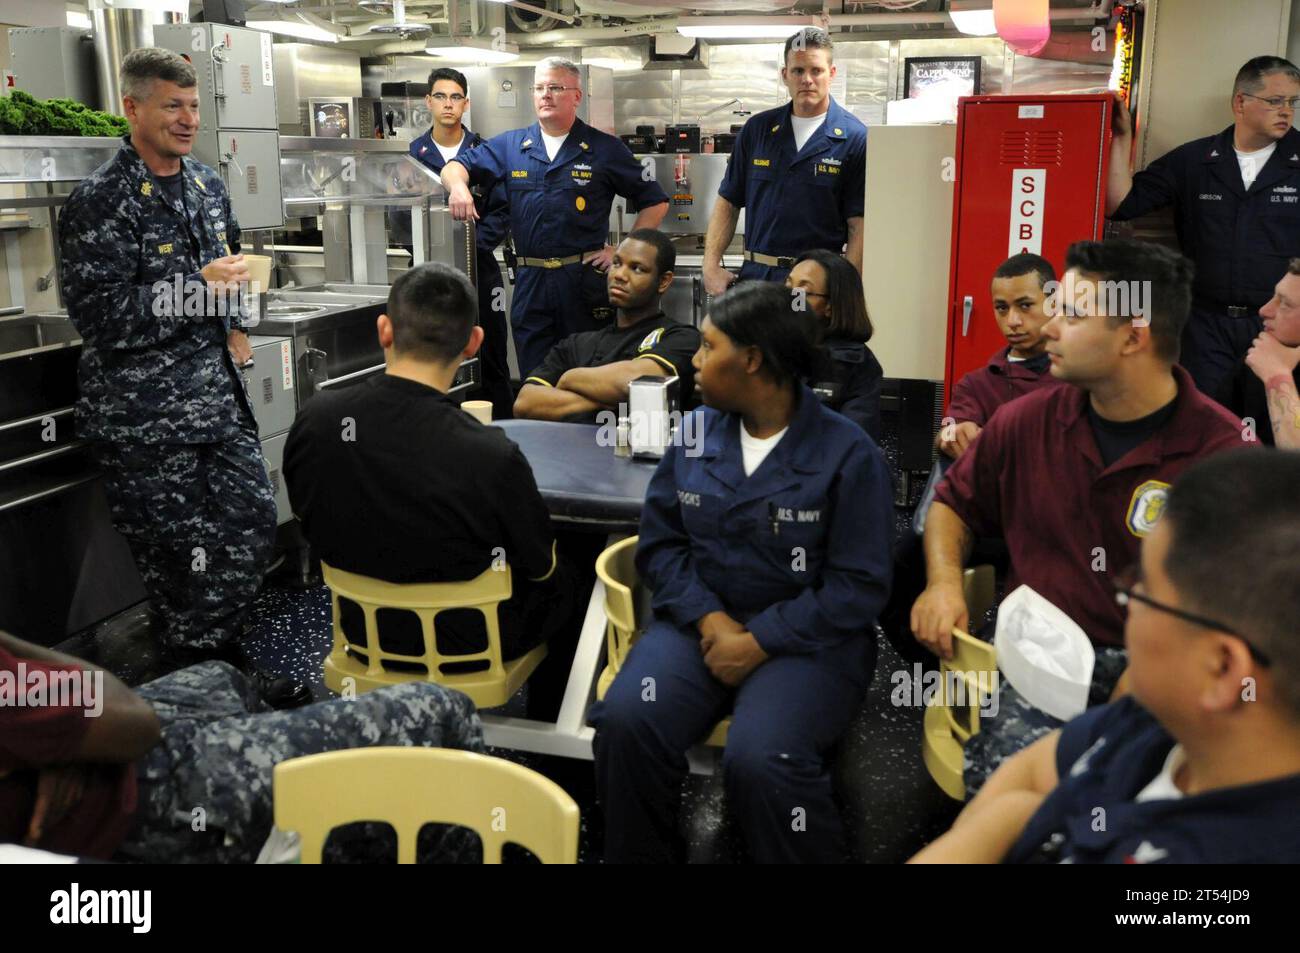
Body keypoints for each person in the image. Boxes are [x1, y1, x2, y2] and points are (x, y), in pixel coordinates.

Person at [910, 240, 1255, 791]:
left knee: (1162, 817)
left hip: (1169, 680)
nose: (1048, 328)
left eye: (1070, 314)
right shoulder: (1024, 422)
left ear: (1133, 336)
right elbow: (954, 503)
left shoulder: (1225, 458)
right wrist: (944, 583)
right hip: (1041, 657)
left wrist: (1162, 674)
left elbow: (1252, 615)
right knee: (1027, 811)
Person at [589, 282, 894, 864]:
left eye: (707, 347)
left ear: (752, 359)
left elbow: (859, 585)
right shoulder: (697, 432)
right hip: (701, 623)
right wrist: (711, 621)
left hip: (811, 642)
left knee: (764, 757)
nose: (696, 363)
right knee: (628, 724)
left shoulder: (847, 454)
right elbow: (662, 545)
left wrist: (761, 641)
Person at [56, 48, 307, 708]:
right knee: (182, 560)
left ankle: (212, 660)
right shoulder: (99, 202)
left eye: (194, 105)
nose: (188, 118)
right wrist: (193, 289)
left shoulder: (205, 184)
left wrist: (239, 324)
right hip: (147, 417)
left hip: (218, 401)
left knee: (253, 526)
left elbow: (234, 271)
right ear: (132, 107)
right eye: (173, 105)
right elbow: (102, 315)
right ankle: (198, 684)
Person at [910, 450, 1300, 864]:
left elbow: (1025, 796)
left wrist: (1011, 819)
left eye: (1143, 590)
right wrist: (1010, 816)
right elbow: (1032, 772)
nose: (1126, 604)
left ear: (1222, 669)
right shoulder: (1155, 723)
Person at [283, 264, 578, 720]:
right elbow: (540, 568)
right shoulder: (492, 455)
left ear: (384, 330)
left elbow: (309, 517)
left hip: (363, 630)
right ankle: (558, 761)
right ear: (474, 342)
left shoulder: (317, 421)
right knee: (576, 582)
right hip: (469, 641)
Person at [0, 629, 483, 863]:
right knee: (442, 710)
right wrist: (67, 730)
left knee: (222, 678)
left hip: (99, 751)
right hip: (127, 809)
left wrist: (59, 738)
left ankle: (301, 826)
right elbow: (137, 724)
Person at [440, 57, 669, 378]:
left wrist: (623, 250)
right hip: (531, 284)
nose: (545, 95)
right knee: (536, 379)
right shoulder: (511, 145)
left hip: (583, 284)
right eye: (539, 88)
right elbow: (453, 167)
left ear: (577, 96)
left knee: (588, 380)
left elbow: (655, 202)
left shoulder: (604, 149)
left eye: (555, 88)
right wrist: (458, 188)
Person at [1107, 56, 1300, 397]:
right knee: (1209, 428)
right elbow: (1121, 206)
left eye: (1292, 102)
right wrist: (1120, 139)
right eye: (1275, 101)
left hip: (1278, 328)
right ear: (1240, 102)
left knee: (1273, 431)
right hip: (1206, 327)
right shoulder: (1194, 161)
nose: (1286, 111)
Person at [703, 28, 867, 296]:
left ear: (832, 74)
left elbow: (858, 225)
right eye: (798, 71)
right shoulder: (757, 130)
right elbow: (728, 202)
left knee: (807, 340)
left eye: (816, 70)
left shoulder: (854, 138)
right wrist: (710, 266)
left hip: (815, 285)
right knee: (752, 340)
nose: (807, 80)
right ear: (784, 75)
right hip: (757, 280)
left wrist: (846, 289)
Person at [407, 67, 514, 420]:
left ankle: (500, 429)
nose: (448, 104)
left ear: (466, 103)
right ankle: (435, 427)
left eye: (455, 97)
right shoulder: (413, 154)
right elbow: (399, 215)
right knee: (431, 349)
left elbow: (502, 208)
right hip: (427, 270)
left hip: (478, 268)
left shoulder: (484, 152)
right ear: (428, 102)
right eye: (440, 96)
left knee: (490, 348)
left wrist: (472, 246)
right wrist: (428, 248)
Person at [514, 229, 700, 423]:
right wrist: (606, 398)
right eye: (617, 263)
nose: (620, 275)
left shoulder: (681, 338)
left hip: (640, 451)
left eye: (637, 268)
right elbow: (525, 403)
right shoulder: (576, 344)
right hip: (572, 451)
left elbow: (638, 382)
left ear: (663, 281)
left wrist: (570, 378)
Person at [939, 252, 1061, 460]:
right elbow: (949, 429)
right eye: (1002, 308)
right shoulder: (977, 386)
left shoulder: (1087, 377)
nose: (1012, 321)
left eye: (1025, 305)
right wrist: (952, 434)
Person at [785, 248, 883, 439]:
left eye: (801, 293)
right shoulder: (765, 348)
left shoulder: (856, 363)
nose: (789, 300)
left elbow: (855, 441)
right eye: (787, 288)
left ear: (830, 305)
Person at [1219, 258, 1300, 447]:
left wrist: (1277, 377)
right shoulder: (1260, 357)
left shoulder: (1270, 365)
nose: (1264, 310)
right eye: (1274, 297)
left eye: (1285, 305)